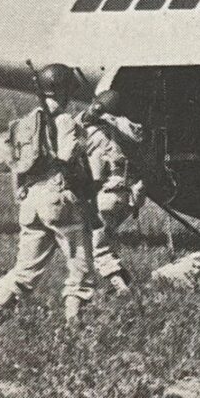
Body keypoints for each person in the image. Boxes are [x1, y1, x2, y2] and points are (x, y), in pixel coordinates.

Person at [0, 63, 96, 325]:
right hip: (59, 194)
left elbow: (14, 164)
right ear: (64, 92)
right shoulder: (64, 121)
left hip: (31, 199)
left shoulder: (24, 123)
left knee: (25, 270)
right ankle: (74, 321)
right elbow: (67, 157)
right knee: (82, 267)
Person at [78, 89, 144, 294]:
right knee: (107, 240)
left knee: (97, 249)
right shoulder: (128, 130)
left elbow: (96, 174)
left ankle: (121, 287)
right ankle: (126, 282)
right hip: (128, 195)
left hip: (105, 195)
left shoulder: (97, 134)